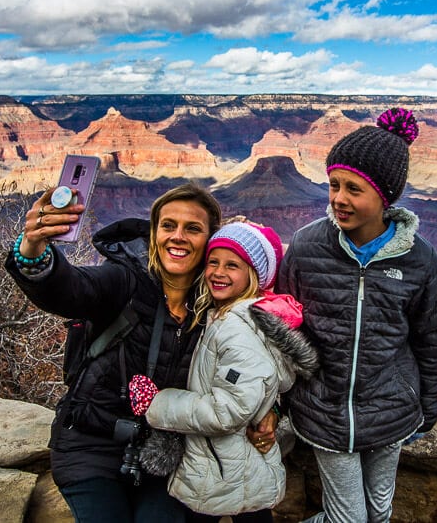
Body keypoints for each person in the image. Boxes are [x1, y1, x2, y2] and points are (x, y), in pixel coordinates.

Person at [5, 183, 276, 522]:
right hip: (92, 447)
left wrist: (272, 410)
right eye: (168, 226)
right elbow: (71, 289)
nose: (177, 236)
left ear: (209, 242)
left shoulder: (217, 305)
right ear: (154, 233)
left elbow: (263, 362)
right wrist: (33, 249)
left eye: (192, 228)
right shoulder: (125, 280)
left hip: (164, 455)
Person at [275, 108, 437, 523]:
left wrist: (428, 407)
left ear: (384, 197)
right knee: (348, 520)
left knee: (379, 512)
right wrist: (279, 401)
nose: (338, 198)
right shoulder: (306, 246)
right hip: (325, 411)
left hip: (391, 410)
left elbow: (431, 339)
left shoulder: (419, 260)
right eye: (334, 184)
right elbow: (284, 326)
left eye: (354, 189)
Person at [137, 220, 319, 522]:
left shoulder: (238, 328)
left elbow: (230, 409)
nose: (218, 272)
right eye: (213, 262)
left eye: (232, 265)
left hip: (223, 471)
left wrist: (157, 404)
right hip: (234, 468)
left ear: (255, 275)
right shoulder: (225, 315)